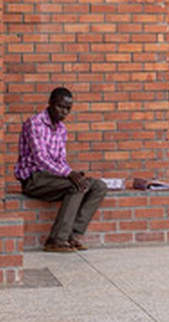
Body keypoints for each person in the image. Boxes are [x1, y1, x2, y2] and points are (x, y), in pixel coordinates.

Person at [15, 87, 109, 252]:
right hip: (34, 178)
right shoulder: (34, 123)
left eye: (68, 109)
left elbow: (61, 161)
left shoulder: (61, 129)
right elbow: (40, 159)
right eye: (60, 106)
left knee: (98, 186)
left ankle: (73, 235)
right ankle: (56, 240)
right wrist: (69, 175)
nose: (64, 112)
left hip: (53, 178)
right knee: (75, 186)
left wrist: (72, 174)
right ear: (50, 103)